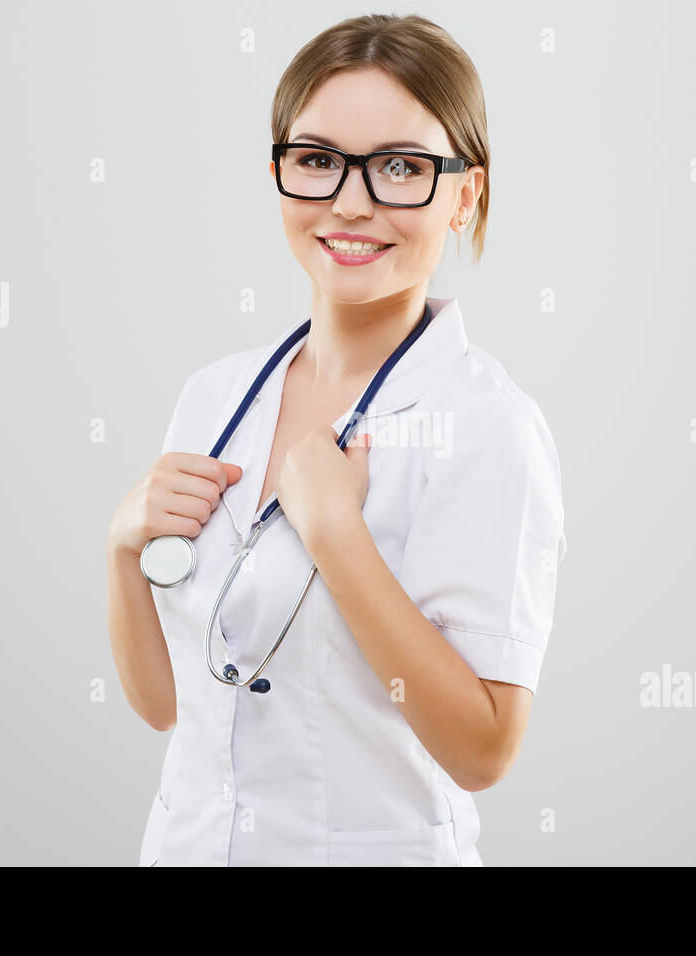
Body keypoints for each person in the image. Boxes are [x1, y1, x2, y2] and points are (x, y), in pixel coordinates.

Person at [107, 13, 566, 866]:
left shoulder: (485, 427)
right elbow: (167, 706)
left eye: (401, 167)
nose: (351, 203)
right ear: (279, 174)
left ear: (465, 195)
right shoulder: (214, 396)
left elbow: (484, 750)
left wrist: (338, 537)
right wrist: (122, 550)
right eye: (318, 160)